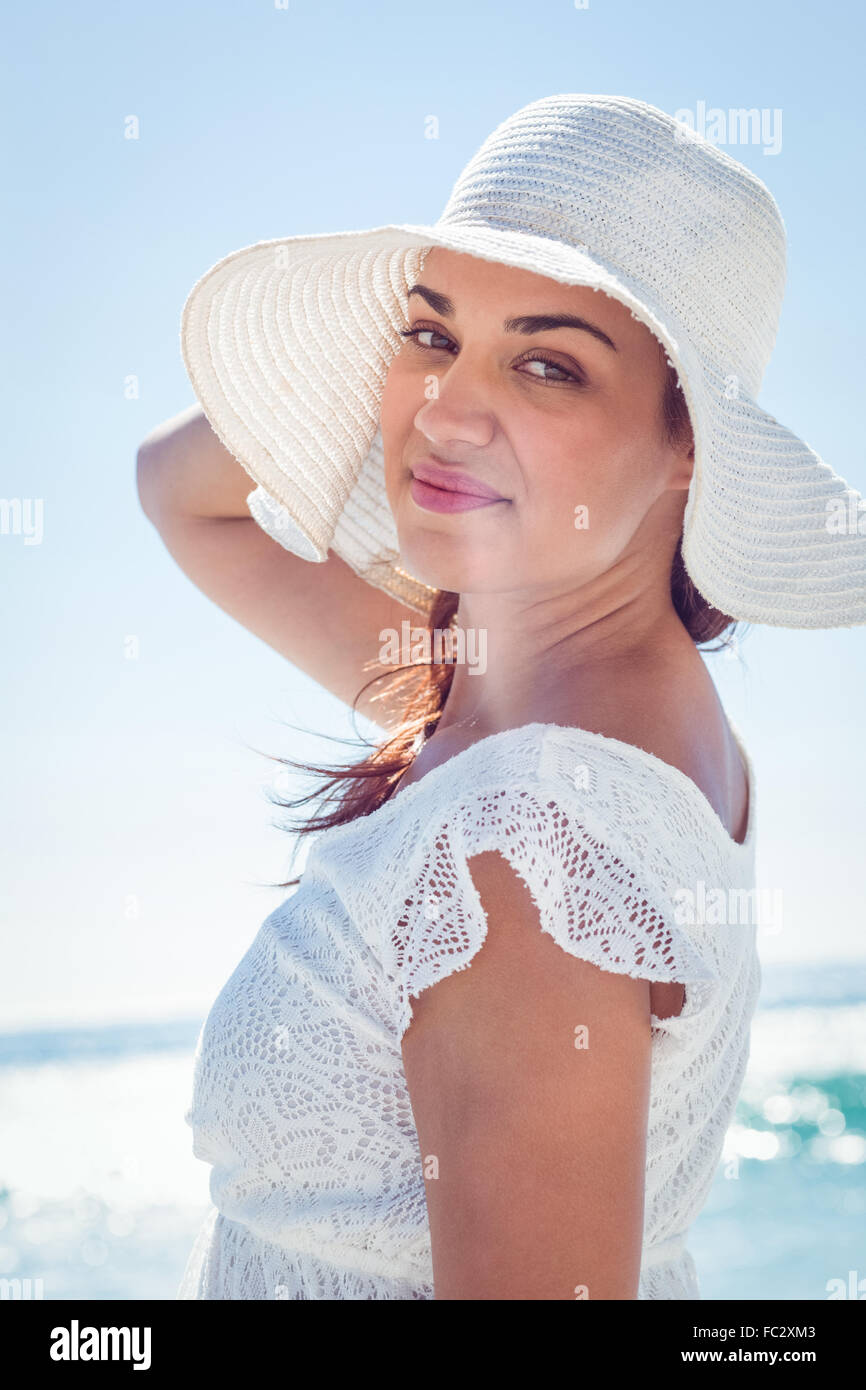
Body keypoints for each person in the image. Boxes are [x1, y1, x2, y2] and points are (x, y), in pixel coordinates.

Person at [137, 94, 865, 1300]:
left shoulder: (526, 845)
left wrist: (424, 380)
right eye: (429, 337)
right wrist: (372, 386)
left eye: (546, 363)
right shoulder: (515, 689)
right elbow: (179, 488)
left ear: (690, 441)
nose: (444, 409)